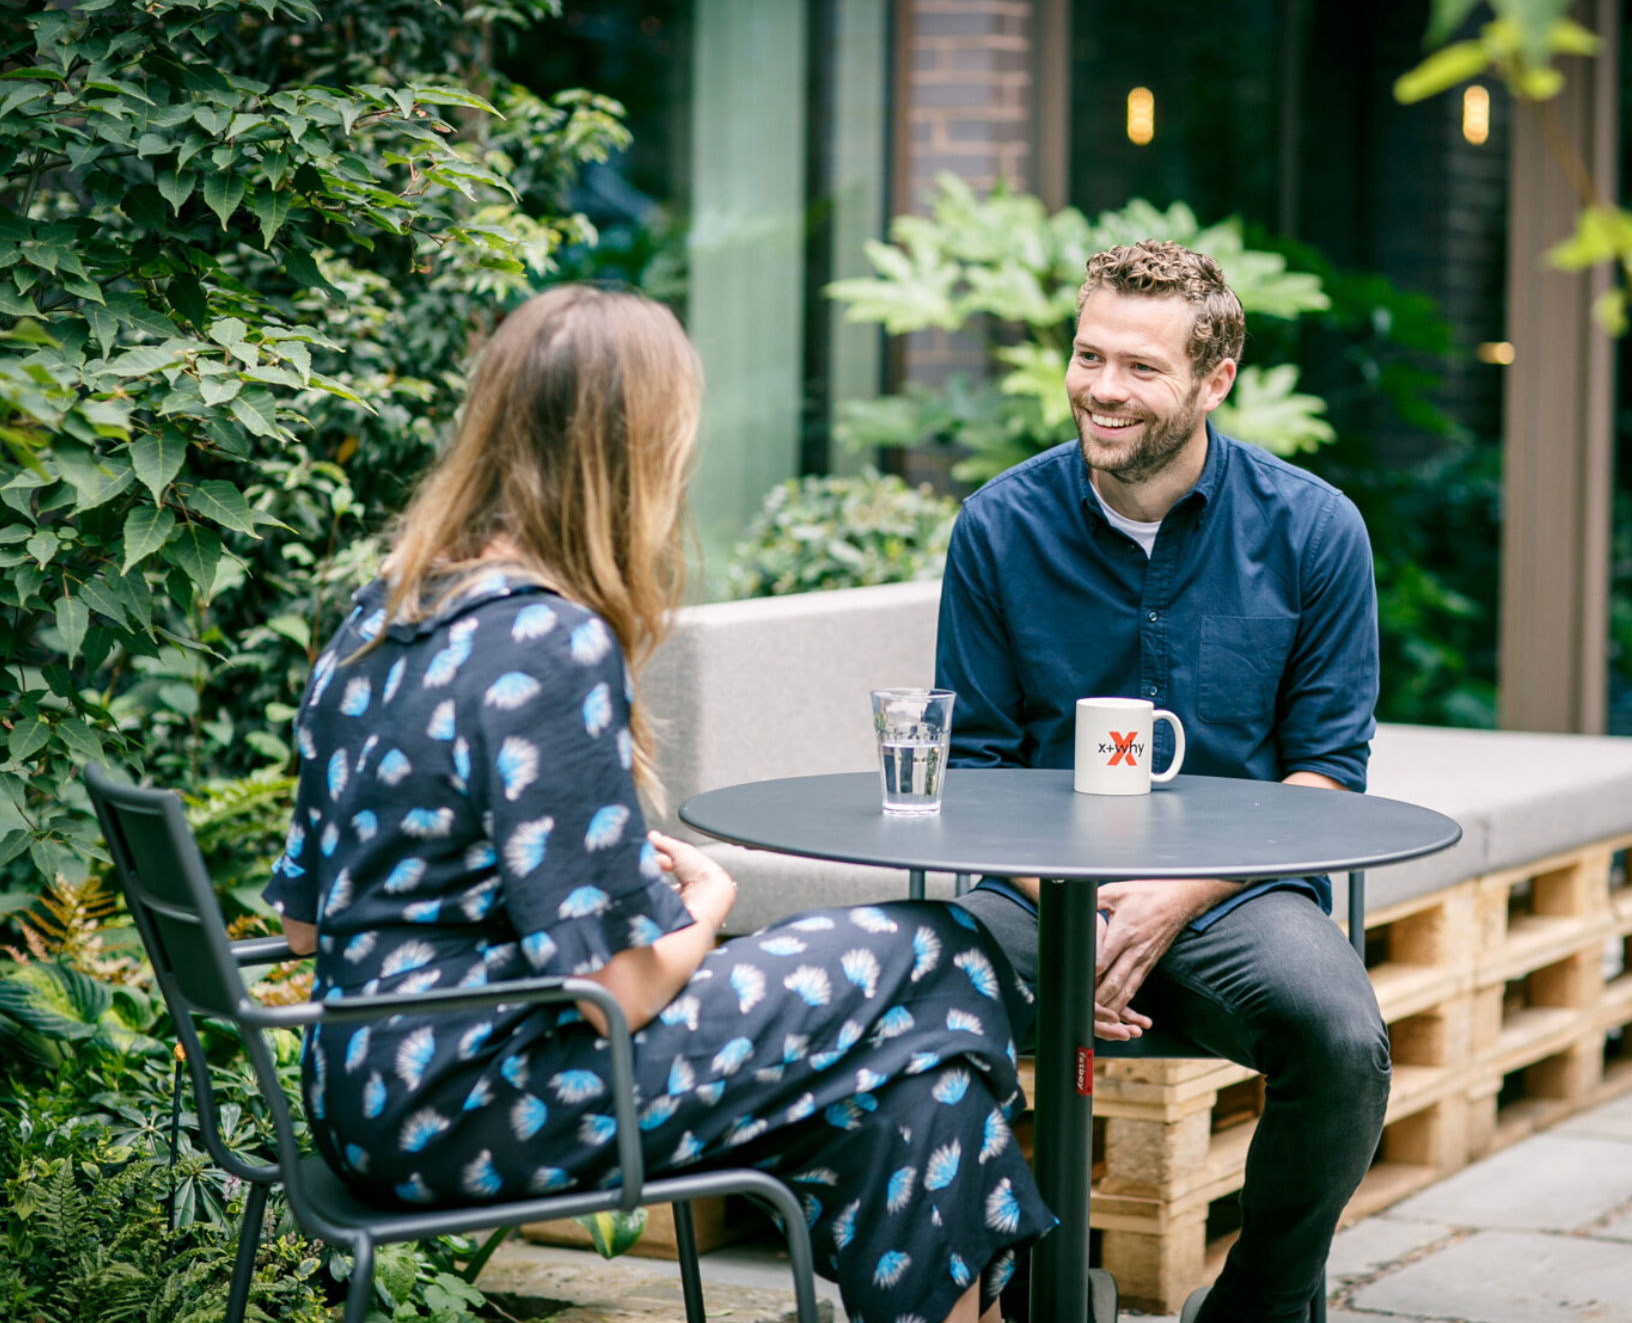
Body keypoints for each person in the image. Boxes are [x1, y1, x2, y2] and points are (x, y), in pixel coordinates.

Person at [264, 284, 1051, 1323]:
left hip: (356, 1093)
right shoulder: (547, 644)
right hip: (481, 1108)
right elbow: (616, 987)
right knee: (938, 945)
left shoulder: (385, 607)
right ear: (633, 450)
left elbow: (302, 920)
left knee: (920, 1098)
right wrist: (708, 906)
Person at [934, 240, 1390, 1323]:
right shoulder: (998, 526)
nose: (1101, 388)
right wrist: (1070, 910)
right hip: (1035, 887)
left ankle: (1260, 1305)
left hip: (1234, 892)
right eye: (1088, 355)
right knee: (920, 1001)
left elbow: (1327, 774)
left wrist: (1175, 894)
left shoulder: (1314, 529)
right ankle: (1013, 1283)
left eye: (1139, 367)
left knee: (1342, 1042)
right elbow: (975, 768)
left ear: (1211, 378)